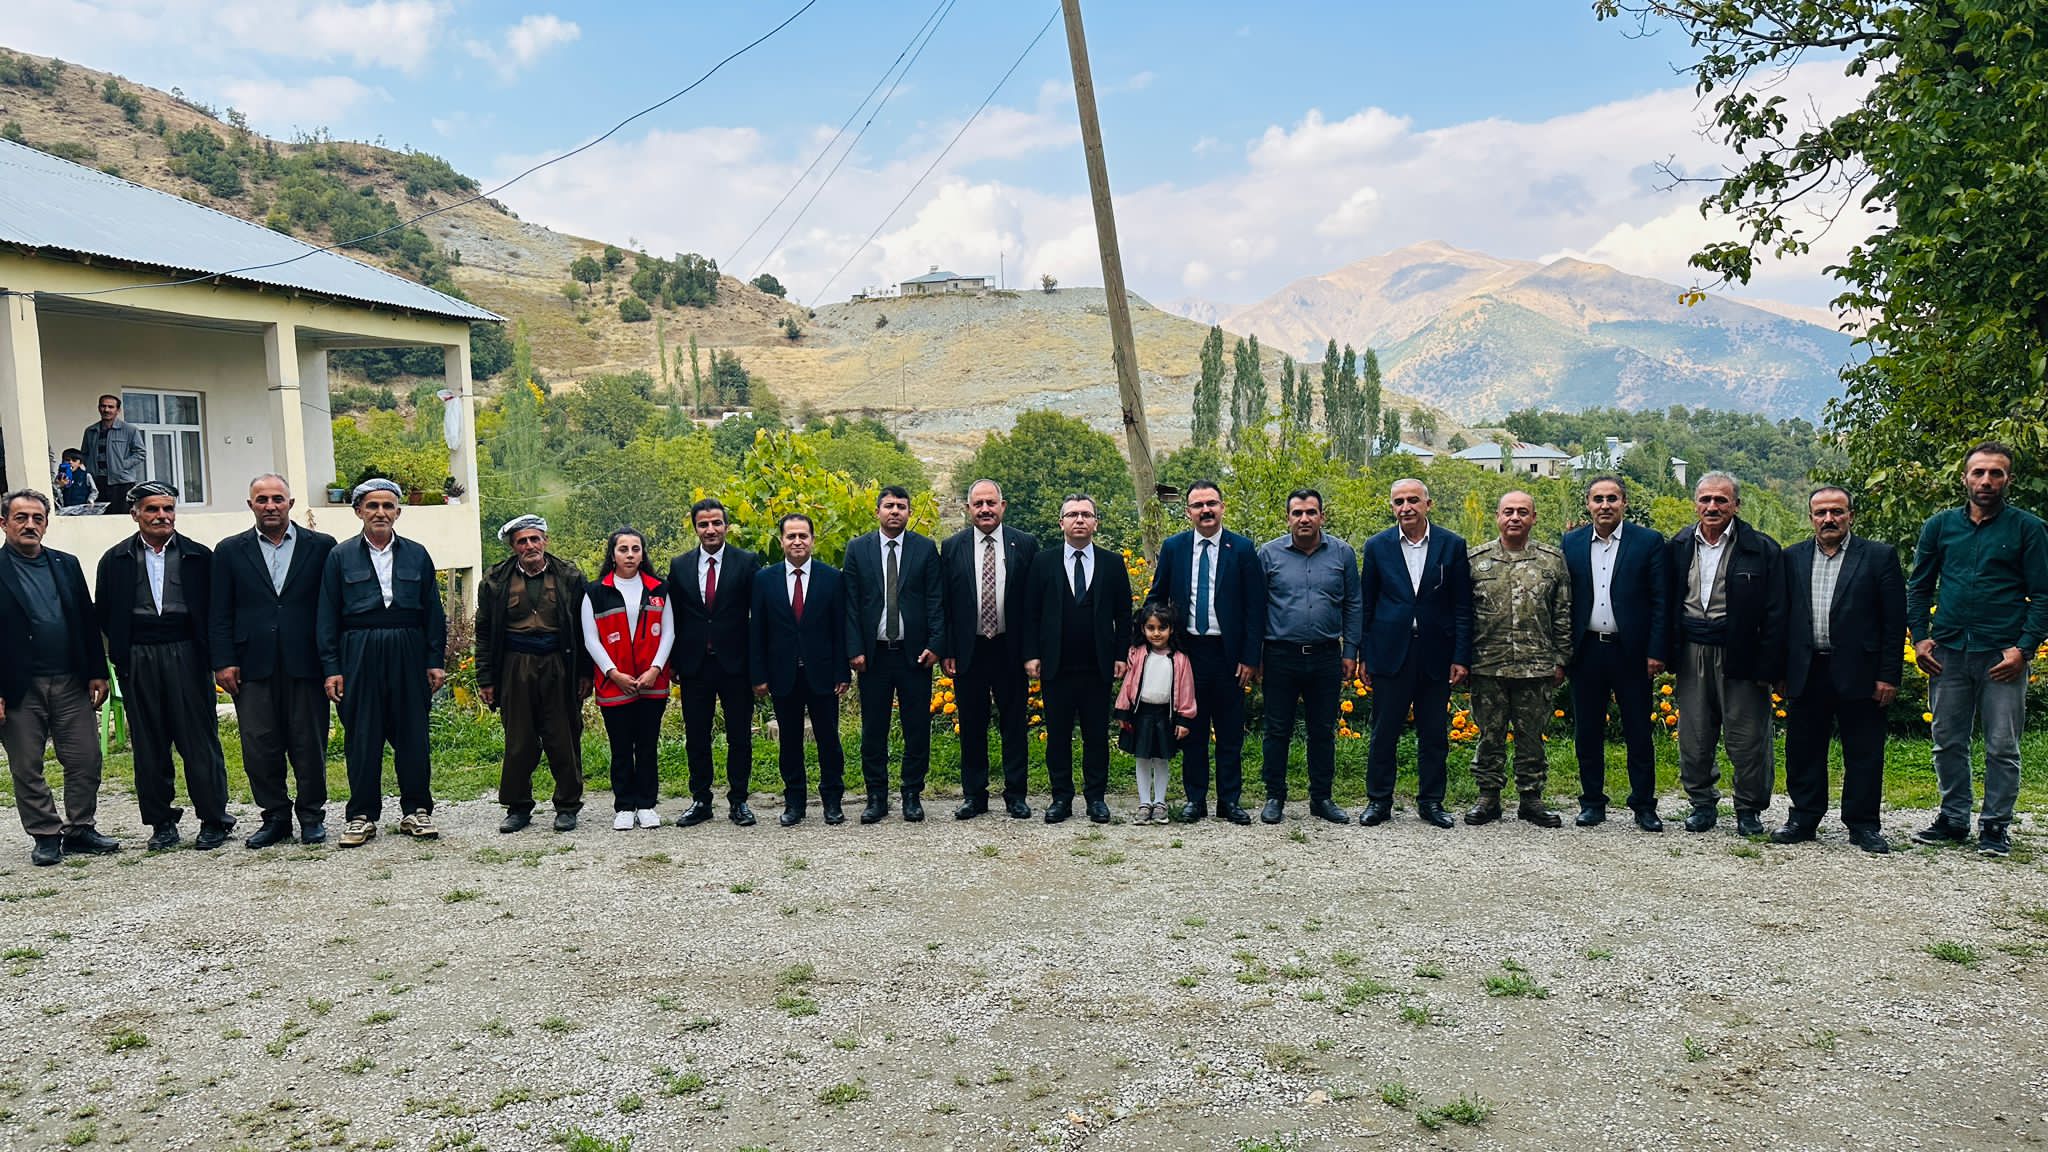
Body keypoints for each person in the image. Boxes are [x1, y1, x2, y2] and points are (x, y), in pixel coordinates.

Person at [1906, 442, 2048, 857]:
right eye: (1979, 472)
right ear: (1965, 477)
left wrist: (2024, 649)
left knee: (2002, 745)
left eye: (1996, 473)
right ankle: (1953, 818)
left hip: (2001, 655)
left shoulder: (2028, 528)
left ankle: (1995, 826)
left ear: (2009, 480)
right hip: (1947, 651)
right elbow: (1919, 586)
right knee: (1946, 739)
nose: (1986, 480)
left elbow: (2042, 594)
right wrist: (1919, 637)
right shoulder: (1940, 526)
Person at [93, 481, 233, 851]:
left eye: (168, 509)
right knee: (149, 744)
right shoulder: (115, 559)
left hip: (187, 653)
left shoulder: (199, 556)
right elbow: (104, 613)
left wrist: (217, 660)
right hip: (139, 656)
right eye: (152, 509)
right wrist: (121, 657)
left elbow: (216, 612)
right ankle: (161, 823)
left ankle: (214, 819)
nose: (161, 516)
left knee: (199, 741)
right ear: (135, 513)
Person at [317, 479, 448, 847]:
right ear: (358, 511)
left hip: (407, 647)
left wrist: (434, 660)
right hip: (359, 649)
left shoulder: (417, 554)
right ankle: (361, 815)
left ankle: (417, 811)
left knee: (413, 735)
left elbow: (433, 612)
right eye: (372, 506)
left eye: (388, 506)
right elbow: (327, 616)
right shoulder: (340, 557)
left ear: (398, 513)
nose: (380, 513)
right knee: (362, 735)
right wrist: (332, 667)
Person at [209, 474, 337, 848]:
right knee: (259, 746)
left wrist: (332, 663)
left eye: (277, 499)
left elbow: (331, 609)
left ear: (291, 504)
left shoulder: (321, 547)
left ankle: (312, 816)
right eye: (261, 500)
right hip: (252, 666)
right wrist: (223, 661)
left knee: (309, 744)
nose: (270, 506)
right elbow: (219, 612)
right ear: (250, 505)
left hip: (306, 663)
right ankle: (275, 817)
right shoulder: (230, 550)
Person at [1776, 486, 1905, 853]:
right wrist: (1780, 670)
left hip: (1860, 671)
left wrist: (1888, 675)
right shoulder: (1792, 558)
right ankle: (1804, 817)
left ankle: (1863, 824)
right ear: (1811, 517)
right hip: (1806, 668)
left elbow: (1894, 622)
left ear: (1851, 515)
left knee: (1864, 751)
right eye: (1821, 513)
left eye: (1837, 511)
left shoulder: (1878, 557)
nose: (1829, 519)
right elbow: (1781, 618)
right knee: (1803, 749)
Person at [0, 489, 115, 866]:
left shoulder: (66, 565)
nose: (30, 524)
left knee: (85, 756)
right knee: (26, 765)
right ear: (4, 523)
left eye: (37, 518)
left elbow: (86, 620)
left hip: (69, 680)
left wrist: (98, 671)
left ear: (47, 524)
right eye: (21, 518)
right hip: (18, 687)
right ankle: (46, 835)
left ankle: (80, 827)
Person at [1668, 471, 1785, 836]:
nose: (1712, 506)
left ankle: (1749, 809)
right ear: (1696, 504)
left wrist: (1769, 664)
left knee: (1748, 737)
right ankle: (1702, 805)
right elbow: (1666, 602)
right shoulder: (1680, 544)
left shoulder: (1761, 548)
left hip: (1742, 653)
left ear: (1736, 504)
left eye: (1721, 500)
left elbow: (1777, 612)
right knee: (1695, 735)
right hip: (1692, 650)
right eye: (1705, 499)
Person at [1146, 479, 1264, 824]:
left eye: (1211, 503)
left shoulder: (1241, 549)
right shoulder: (1175, 548)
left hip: (1228, 655)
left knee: (1229, 733)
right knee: (1192, 732)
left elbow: (1255, 608)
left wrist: (1249, 657)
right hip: (1188, 654)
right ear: (1188, 512)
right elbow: (1156, 596)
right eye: (1198, 505)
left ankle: (1229, 801)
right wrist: (1156, 638)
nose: (1205, 510)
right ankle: (1195, 800)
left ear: (1222, 507)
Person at [1359, 479, 1473, 829]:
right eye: (1398, 502)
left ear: (1428, 504)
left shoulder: (1451, 545)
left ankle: (1432, 802)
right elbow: (1366, 604)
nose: (1405, 507)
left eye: (1413, 500)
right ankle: (1379, 801)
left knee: (1435, 733)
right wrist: (1363, 653)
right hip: (1391, 651)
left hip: (1436, 652)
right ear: (1391, 507)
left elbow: (1463, 606)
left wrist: (1461, 655)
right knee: (1384, 732)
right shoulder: (1377, 546)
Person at [1561, 476, 1669, 832]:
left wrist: (1656, 651)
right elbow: (1563, 602)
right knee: (1588, 731)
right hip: (1587, 650)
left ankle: (1643, 805)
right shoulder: (1571, 543)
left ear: (1624, 503)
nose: (1604, 505)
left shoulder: (1648, 542)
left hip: (1632, 652)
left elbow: (1660, 601)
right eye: (1597, 499)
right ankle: (1592, 802)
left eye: (1612, 498)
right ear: (1588, 504)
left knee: (1638, 730)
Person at [1463, 491, 1572, 828]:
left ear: (1534, 518)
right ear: (1497, 516)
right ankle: (1488, 797)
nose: (1514, 518)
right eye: (1508, 511)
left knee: (1531, 737)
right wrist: (1463, 659)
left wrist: (1561, 657)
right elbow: (1463, 615)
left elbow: (1563, 612)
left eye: (1522, 512)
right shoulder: (1475, 560)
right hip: (1487, 664)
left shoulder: (1551, 560)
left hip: (1535, 665)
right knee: (1489, 735)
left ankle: (1531, 798)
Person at [477, 514, 590, 834]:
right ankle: (518, 806)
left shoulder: (569, 576)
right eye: (522, 541)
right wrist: (486, 678)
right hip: (515, 664)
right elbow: (483, 631)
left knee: (564, 735)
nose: (530, 546)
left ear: (545, 541)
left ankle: (567, 806)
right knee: (519, 739)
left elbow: (585, 629)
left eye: (534, 539)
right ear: (513, 547)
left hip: (560, 663)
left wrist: (584, 673)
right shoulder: (495, 580)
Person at [1023, 493, 1132, 825]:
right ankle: (1061, 798)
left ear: (1096, 522)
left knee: (1096, 735)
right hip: (1056, 666)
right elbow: (1030, 613)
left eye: (1086, 514)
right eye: (1072, 514)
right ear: (1061, 523)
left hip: (1097, 665)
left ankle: (1096, 798)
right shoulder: (1043, 562)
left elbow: (1124, 615)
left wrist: (1120, 655)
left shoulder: (1112, 563)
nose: (1079, 520)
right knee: (1057, 735)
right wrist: (1031, 655)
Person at [1257, 488, 1363, 825]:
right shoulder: (1268, 554)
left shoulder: (1342, 554)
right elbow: (1256, 607)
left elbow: (1353, 604)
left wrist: (1351, 651)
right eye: (1298, 513)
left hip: (1326, 656)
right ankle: (1275, 796)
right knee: (1277, 730)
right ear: (1287, 517)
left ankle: (1322, 798)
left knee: (1322, 730)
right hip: (1279, 656)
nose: (1305, 519)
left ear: (1322, 516)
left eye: (1311, 512)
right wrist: (1255, 654)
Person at [841, 485, 945, 824]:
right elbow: (851, 604)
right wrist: (854, 648)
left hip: (914, 655)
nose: (895, 511)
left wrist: (936, 644)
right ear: (878, 511)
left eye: (901, 506)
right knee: (874, 729)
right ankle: (876, 796)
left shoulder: (925, 549)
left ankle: (912, 794)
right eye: (889, 506)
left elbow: (935, 601)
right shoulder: (858, 549)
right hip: (873, 657)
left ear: (909, 512)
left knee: (916, 727)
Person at [939, 480, 1037, 820]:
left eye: (990, 503)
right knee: (972, 725)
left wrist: (1031, 652)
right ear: (969, 509)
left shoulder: (1024, 543)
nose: (985, 509)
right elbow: (946, 604)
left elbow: (1031, 604)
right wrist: (948, 648)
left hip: (1010, 648)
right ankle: (974, 796)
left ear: (1003, 506)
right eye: (978, 503)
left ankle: (1016, 795)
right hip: (970, 650)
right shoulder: (952, 547)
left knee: (1013, 724)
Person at [749, 513, 851, 827]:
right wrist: (759, 675)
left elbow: (840, 628)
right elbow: (758, 632)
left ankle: (832, 801)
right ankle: (795, 803)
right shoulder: (764, 579)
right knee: (790, 742)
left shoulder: (832, 577)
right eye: (791, 536)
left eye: (803, 536)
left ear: (812, 540)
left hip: (822, 675)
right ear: (781, 540)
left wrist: (842, 672)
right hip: (783, 674)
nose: (797, 542)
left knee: (828, 741)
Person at [667, 498, 760, 827]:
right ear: (695, 528)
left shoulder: (747, 562)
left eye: (716, 523)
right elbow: (673, 617)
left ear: (726, 525)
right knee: (697, 736)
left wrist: (758, 665)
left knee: (739, 737)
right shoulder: (679, 566)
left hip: (736, 664)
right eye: (703, 524)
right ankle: (701, 799)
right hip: (695, 666)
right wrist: (673, 662)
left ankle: (739, 801)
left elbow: (758, 617)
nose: (710, 529)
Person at [584, 528, 673, 832]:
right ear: (613, 554)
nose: (630, 554)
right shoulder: (595, 592)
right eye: (623, 549)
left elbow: (669, 632)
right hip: (614, 684)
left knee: (647, 746)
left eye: (636, 548)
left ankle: (647, 804)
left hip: (652, 682)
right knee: (621, 747)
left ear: (643, 553)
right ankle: (624, 806)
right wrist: (613, 673)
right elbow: (591, 639)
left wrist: (655, 669)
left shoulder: (660, 589)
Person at [1114, 599, 1197, 826]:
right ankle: (1144, 802)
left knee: (1161, 760)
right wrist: (1123, 711)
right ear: (1143, 629)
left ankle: (1160, 802)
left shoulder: (1180, 659)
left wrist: (1184, 718)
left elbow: (1186, 689)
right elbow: (1128, 684)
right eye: (1151, 628)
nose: (1156, 633)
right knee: (1142, 759)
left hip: (1165, 716)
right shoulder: (1138, 654)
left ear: (1171, 629)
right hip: (1142, 714)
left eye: (1162, 628)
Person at [79, 394, 146, 514]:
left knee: (122, 518)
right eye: (103, 406)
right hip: (97, 483)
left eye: (111, 407)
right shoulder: (91, 431)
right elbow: (84, 454)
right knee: (99, 517)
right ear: (98, 408)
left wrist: (122, 465)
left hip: (121, 484)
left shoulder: (129, 430)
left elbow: (140, 453)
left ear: (118, 410)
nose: (106, 410)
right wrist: (89, 470)